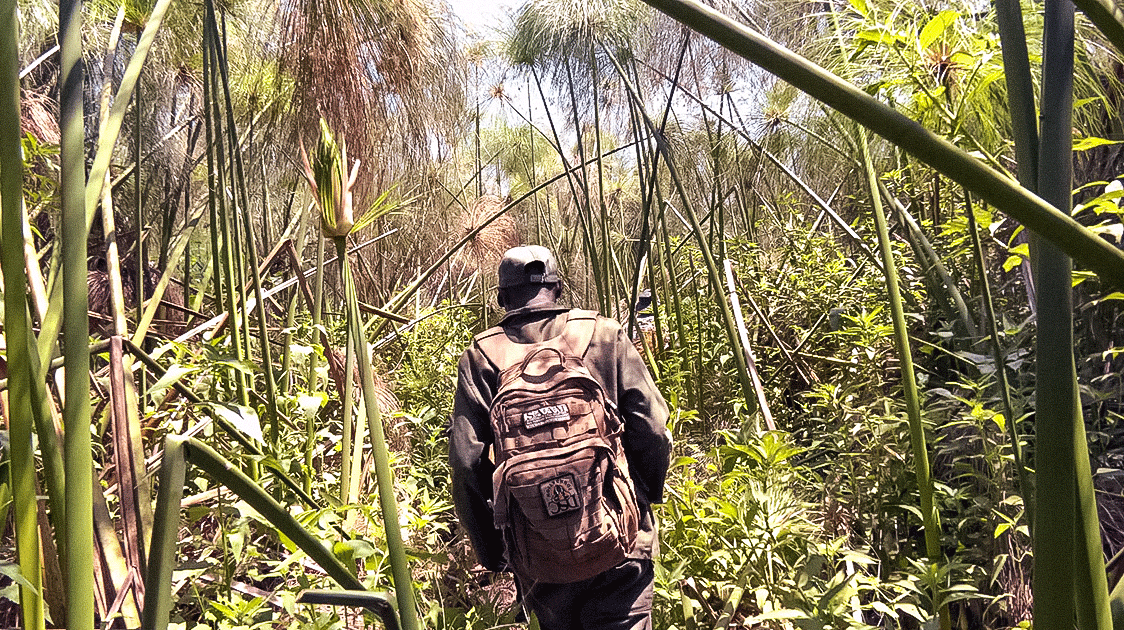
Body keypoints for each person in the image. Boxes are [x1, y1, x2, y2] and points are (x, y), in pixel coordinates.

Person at [450, 245, 672, 630]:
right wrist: (645, 497)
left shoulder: (482, 357)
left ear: (502, 298)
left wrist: (493, 550)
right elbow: (651, 428)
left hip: (539, 551)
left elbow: (466, 463)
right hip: (621, 538)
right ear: (559, 288)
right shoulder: (605, 335)